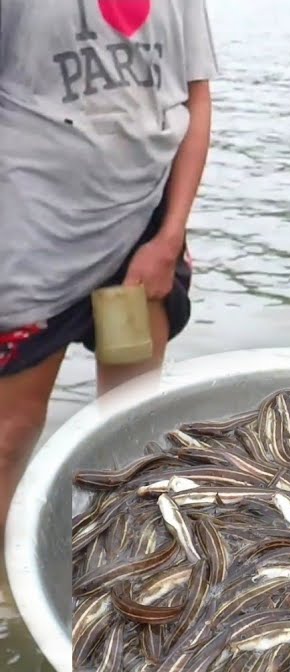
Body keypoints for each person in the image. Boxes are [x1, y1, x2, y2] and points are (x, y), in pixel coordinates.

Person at [0, 0, 219, 539]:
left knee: (130, 428)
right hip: (32, 235)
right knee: (9, 435)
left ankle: (115, 573)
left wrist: (170, 236)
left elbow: (195, 100)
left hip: (142, 229)